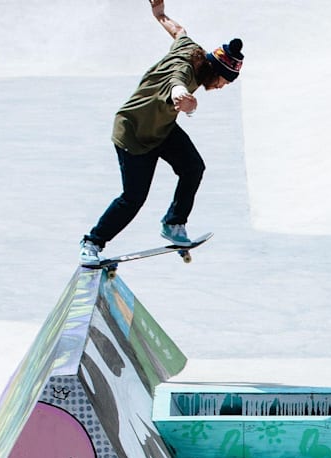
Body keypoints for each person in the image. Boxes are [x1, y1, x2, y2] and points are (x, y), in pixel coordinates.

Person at [79, 0, 243, 265]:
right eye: (224, 81)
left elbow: (178, 30)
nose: (222, 87)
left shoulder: (191, 48)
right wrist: (183, 99)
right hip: (133, 132)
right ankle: (92, 243)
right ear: (217, 72)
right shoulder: (185, 73)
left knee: (193, 167)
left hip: (162, 128)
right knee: (132, 199)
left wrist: (159, 14)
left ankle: (174, 223)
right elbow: (175, 84)